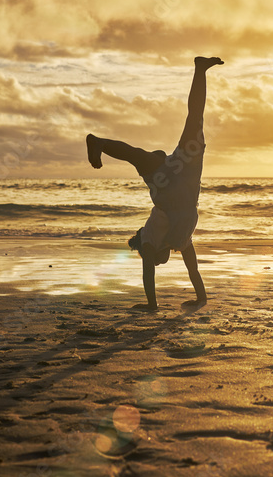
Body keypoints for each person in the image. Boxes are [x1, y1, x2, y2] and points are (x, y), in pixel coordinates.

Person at [86, 56, 224, 310]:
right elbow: (193, 269)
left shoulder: (148, 242)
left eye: (158, 261)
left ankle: (101, 143)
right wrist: (201, 298)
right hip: (178, 175)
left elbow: (148, 274)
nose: (160, 263)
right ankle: (200, 69)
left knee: (141, 154)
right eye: (160, 262)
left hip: (171, 187)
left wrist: (152, 305)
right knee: (193, 119)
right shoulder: (180, 240)